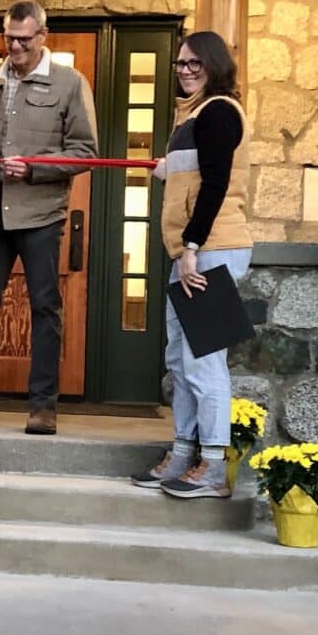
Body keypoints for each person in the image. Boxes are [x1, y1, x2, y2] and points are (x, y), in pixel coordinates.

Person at [0, 1, 98, 435]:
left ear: (43, 36)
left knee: (46, 307)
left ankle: (43, 407)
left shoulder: (70, 83)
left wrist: (32, 167)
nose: (16, 47)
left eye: (25, 40)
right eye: (9, 38)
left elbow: (86, 153)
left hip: (41, 214)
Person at [131, 30, 253, 499]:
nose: (184, 70)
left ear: (215, 65)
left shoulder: (218, 111)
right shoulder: (192, 116)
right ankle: (182, 454)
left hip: (210, 250)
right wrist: (166, 170)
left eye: (194, 63)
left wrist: (193, 247)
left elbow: (217, 183)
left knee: (205, 362)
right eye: (179, 63)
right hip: (190, 252)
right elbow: (196, 173)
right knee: (180, 362)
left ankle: (214, 467)